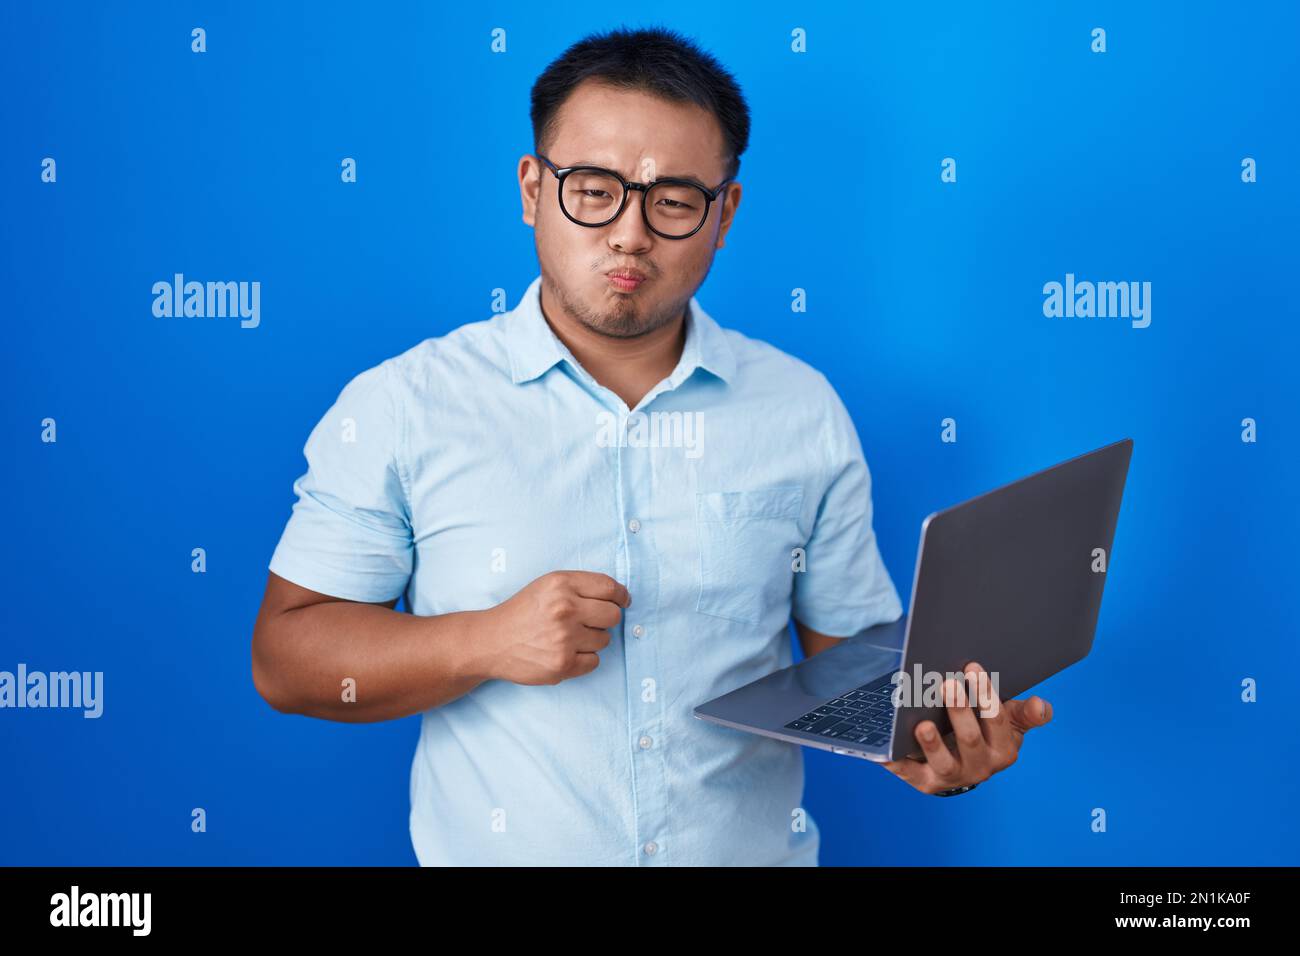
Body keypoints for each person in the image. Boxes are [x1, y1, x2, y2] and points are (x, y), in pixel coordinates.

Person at [251, 25, 1052, 866]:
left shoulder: (800, 407)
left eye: (672, 200)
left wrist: (932, 739)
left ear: (724, 214)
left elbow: (848, 657)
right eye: (593, 190)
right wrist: (481, 640)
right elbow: (286, 657)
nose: (630, 234)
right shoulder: (403, 404)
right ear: (532, 188)